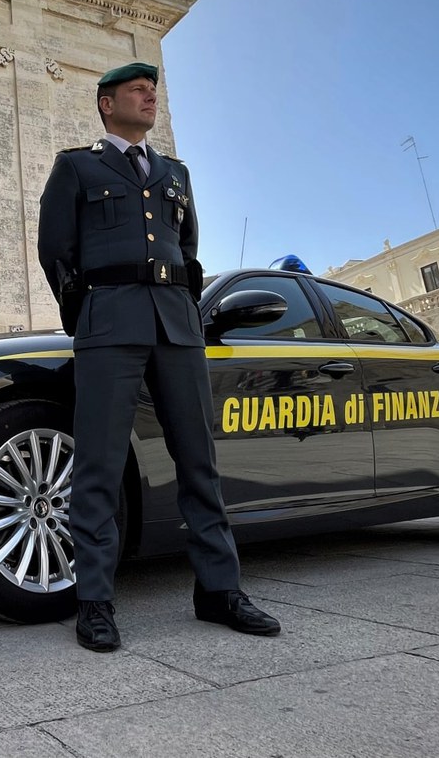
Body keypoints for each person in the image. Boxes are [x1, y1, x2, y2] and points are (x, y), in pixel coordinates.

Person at [37, 62, 282, 651]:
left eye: (153, 91)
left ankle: (219, 590)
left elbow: (187, 250)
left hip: (177, 326)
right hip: (108, 324)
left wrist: (185, 309)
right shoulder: (77, 166)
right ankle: (95, 600)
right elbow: (55, 251)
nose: (150, 97)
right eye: (137, 91)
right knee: (98, 464)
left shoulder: (176, 173)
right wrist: (87, 317)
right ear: (106, 103)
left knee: (199, 460)